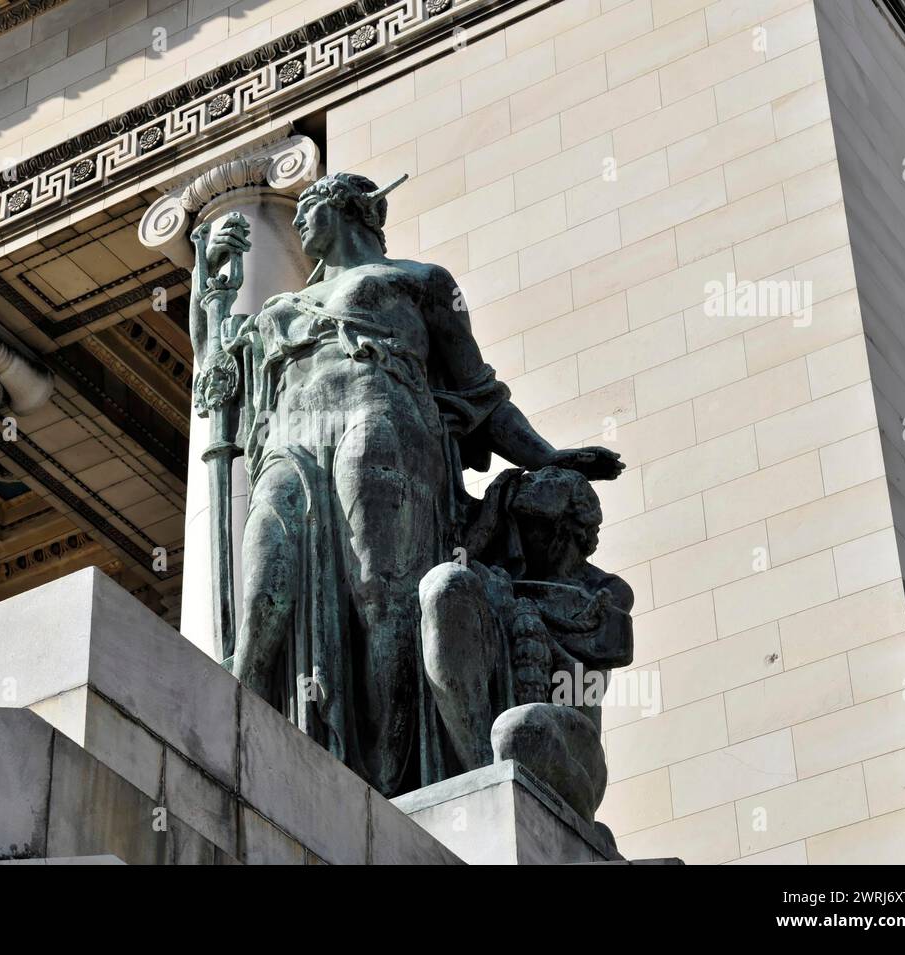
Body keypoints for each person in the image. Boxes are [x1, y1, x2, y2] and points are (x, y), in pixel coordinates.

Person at [191, 172, 623, 795]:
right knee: (265, 583)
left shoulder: (419, 283)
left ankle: (387, 789)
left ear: (345, 212)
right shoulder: (279, 309)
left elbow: (481, 394)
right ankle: (231, 764)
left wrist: (549, 455)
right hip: (288, 443)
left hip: (382, 427)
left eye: (310, 211)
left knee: (380, 596)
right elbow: (218, 383)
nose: (300, 225)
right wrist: (213, 287)